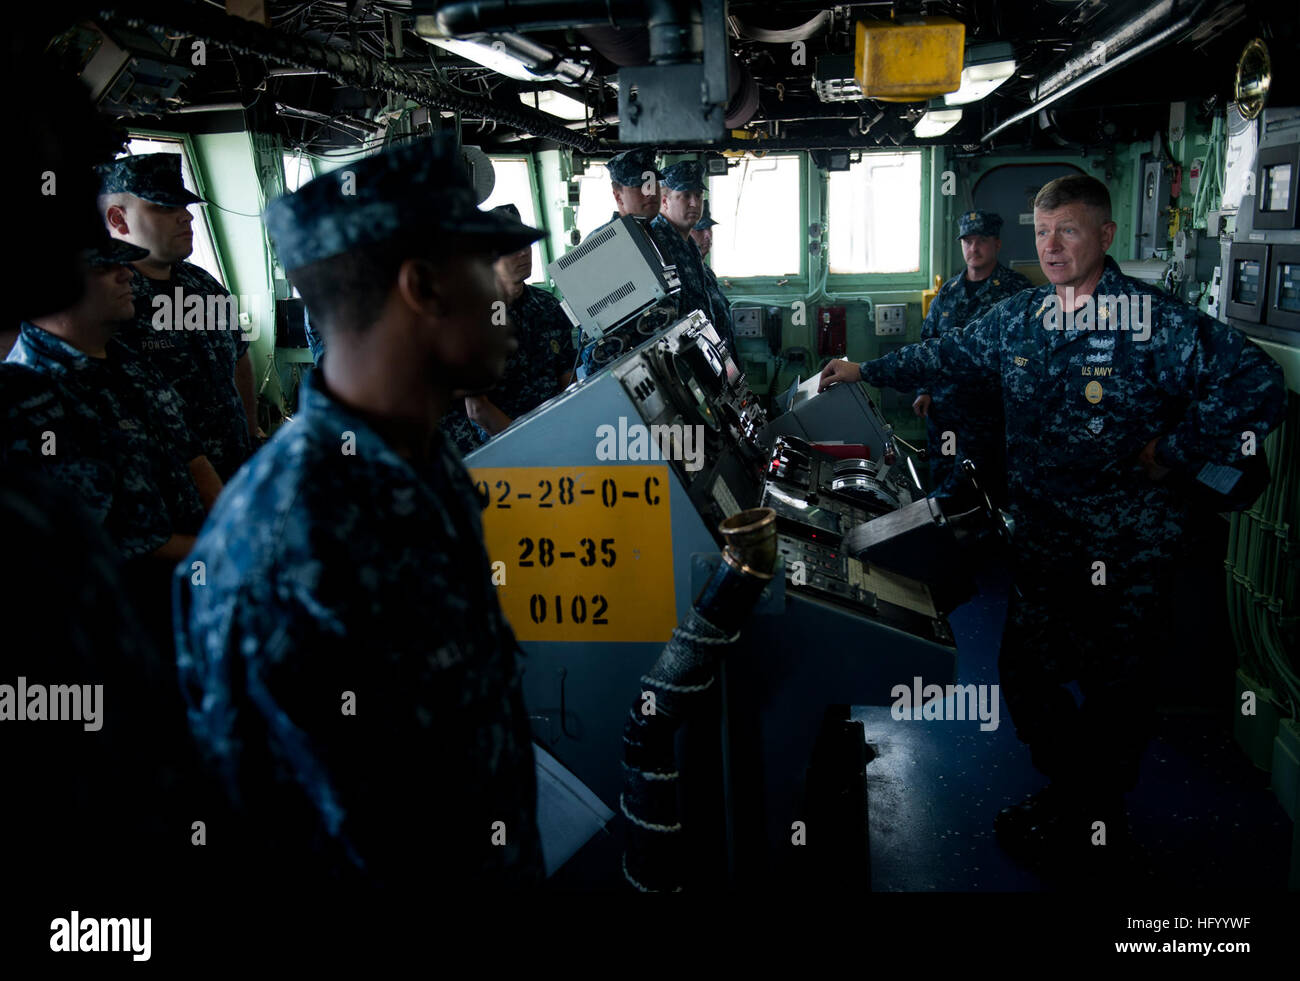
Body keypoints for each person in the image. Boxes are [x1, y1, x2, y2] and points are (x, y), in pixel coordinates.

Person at [818, 174, 1286, 872]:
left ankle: (1096, 817)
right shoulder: (1021, 315)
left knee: (1116, 690)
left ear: (1104, 235)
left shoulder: (1154, 321)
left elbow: (1258, 385)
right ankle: (1081, 794)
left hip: (1128, 550)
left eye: (1067, 229)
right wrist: (864, 368)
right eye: (1042, 232)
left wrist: (1176, 452)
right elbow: (946, 355)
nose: (1053, 244)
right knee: (1025, 675)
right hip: (1042, 543)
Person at [175, 135, 546, 892]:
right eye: (487, 267)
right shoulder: (286, 539)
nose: (508, 295)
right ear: (424, 288)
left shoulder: (423, 457)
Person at [4, 236, 221, 565]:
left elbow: (193, 456)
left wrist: (232, 526)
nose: (128, 274)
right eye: (105, 267)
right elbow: (109, 542)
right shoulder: (30, 398)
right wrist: (229, 548)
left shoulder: (128, 358)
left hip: (201, 569)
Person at [98, 153, 259, 480]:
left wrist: (251, 436)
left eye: (183, 207)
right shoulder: (108, 301)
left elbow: (239, 358)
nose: (186, 218)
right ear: (118, 219)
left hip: (234, 470)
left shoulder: (203, 284)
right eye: (164, 208)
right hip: (166, 488)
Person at [913, 210, 1030, 505]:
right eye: (967, 241)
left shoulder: (1017, 291)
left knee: (987, 485)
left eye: (982, 241)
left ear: (997, 244)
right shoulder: (949, 291)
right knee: (943, 478)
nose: (973, 249)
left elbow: (1026, 351)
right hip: (946, 411)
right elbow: (929, 342)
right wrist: (924, 389)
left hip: (990, 414)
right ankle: (946, 538)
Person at [462, 203, 576, 446]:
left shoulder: (547, 305)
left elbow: (567, 375)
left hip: (563, 431)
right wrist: (528, 444)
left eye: (525, 244)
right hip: (507, 446)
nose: (524, 253)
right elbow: (477, 408)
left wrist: (575, 423)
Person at [651, 161, 736, 357]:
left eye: (698, 196)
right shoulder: (657, 241)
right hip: (678, 357)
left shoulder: (688, 244)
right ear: (665, 201)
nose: (694, 203)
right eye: (685, 196)